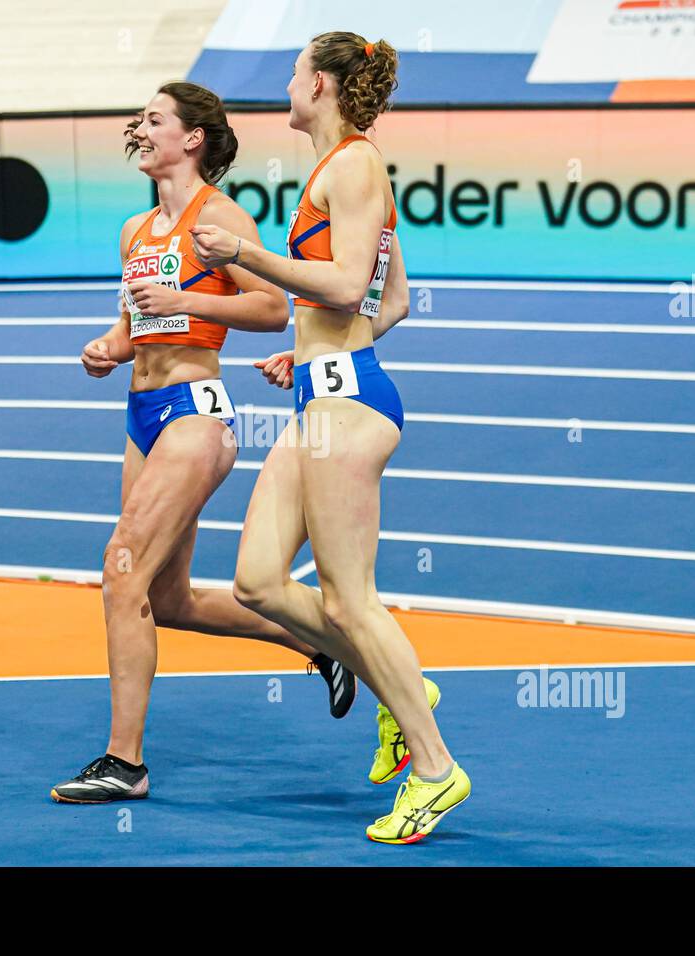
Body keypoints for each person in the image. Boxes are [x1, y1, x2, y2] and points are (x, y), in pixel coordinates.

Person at [191, 35, 470, 843]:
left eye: (290, 74)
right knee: (255, 582)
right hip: (328, 391)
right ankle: (400, 683)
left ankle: (434, 768)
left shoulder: (352, 165)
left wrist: (246, 254)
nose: (284, 85)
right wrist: (312, 345)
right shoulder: (341, 170)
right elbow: (395, 300)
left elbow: (350, 285)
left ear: (318, 84)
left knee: (349, 599)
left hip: (348, 410)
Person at [50, 82, 356, 805]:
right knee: (169, 597)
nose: (141, 128)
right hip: (144, 414)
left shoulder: (218, 217)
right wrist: (109, 347)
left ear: (192, 139)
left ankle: (124, 764)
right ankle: (319, 642)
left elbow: (274, 306)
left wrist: (187, 300)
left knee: (120, 573)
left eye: (155, 119)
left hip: (196, 414)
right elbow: (135, 325)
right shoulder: (134, 230)